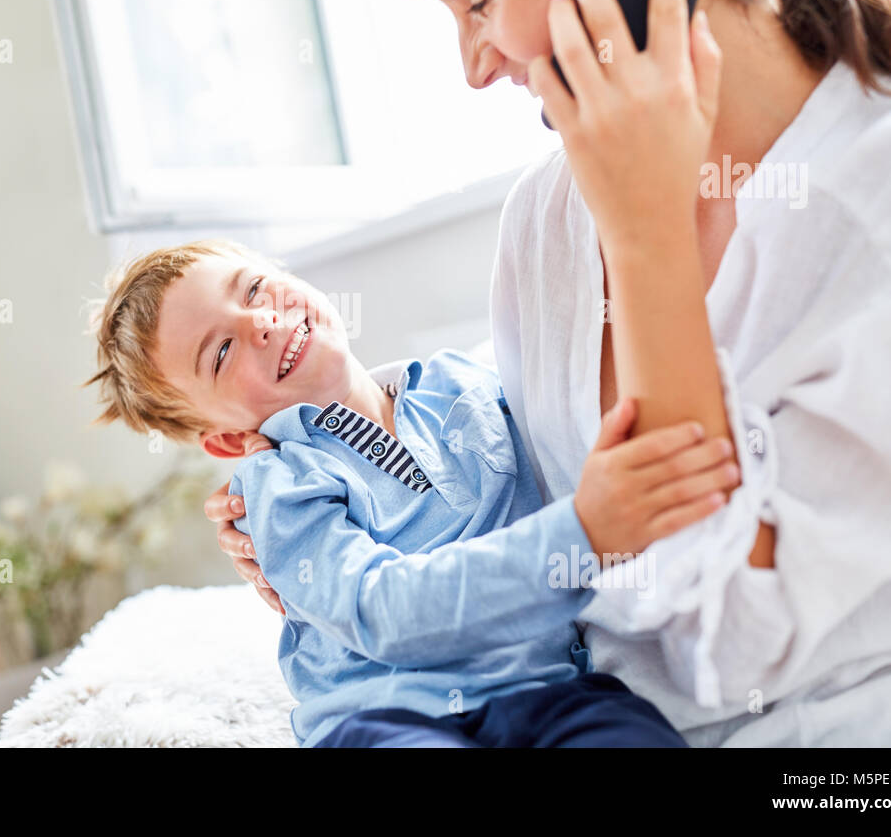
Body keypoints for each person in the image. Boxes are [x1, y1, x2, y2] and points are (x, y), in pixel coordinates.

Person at [206, 0, 891, 746]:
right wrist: (319, 472)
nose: (474, 67)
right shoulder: (547, 217)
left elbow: (732, 654)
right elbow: (514, 459)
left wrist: (649, 243)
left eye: (478, 2)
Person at [84, 238, 738, 746]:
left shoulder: (461, 382)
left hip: (546, 690)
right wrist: (585, 532)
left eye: (254, 287)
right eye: (221, 353)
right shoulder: (282, 486)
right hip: (387, 717)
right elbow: (382, 610)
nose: (260, 321)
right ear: (228, 442)